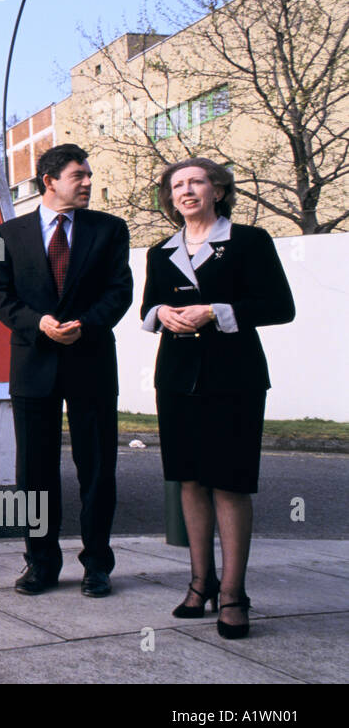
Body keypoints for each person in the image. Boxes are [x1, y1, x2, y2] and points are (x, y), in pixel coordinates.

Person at [140, 158, 294, 639]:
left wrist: (215, 311)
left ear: (218, 190)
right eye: (177, 184)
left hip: (235, 376)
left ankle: (233, 594)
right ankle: (198, 583)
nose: (186, 190)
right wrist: (163, 312)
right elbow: (147, 307)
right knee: (189, 481)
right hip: (177, 377)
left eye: (196, 182)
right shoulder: (160, 251)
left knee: (228, 483)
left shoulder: (249, 241)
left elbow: (279, 307)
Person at [0, 144, 133, 597]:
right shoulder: (5, 234)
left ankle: (97, 565)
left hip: (91, 364)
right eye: (78, 175)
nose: (87, 182)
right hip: (33, 365)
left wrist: (84, 325)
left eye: (88, 175)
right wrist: (38, 323)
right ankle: (41, 562)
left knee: (98, 467)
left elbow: (119, 291)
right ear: (49, 180)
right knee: (34, 471)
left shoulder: (111, 229)